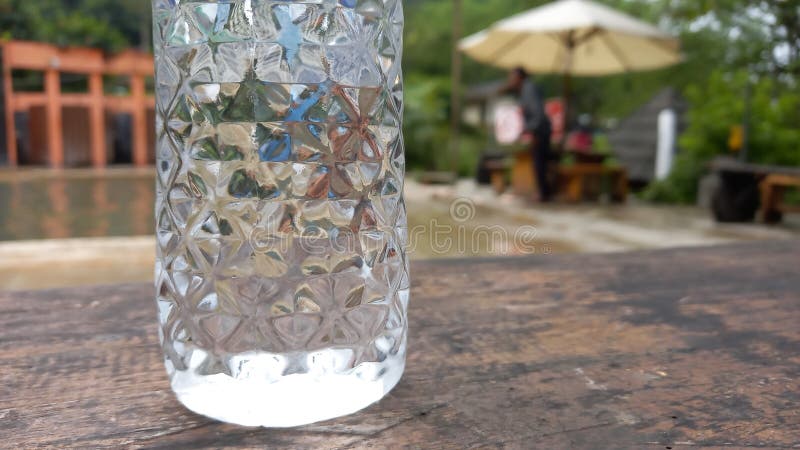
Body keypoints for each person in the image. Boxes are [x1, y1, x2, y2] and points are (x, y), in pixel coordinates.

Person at [505, 67, 553, 202]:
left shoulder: (529, 89)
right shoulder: (525, 90)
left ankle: (543, 193)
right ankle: (543, 191)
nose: (510, 81)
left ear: (520, 77)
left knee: (540, 163)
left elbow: (537, 113)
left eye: (512, 77)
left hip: (540, 131)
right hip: (539, 130)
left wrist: (532, 131)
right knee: (540, 162)